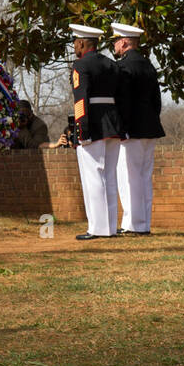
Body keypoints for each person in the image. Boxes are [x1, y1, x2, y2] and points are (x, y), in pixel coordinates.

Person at [68, 23, 126, 240]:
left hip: (93, 124)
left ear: (82, 43)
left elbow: (80, 99)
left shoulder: (81, 65)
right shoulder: (112, 64)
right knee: (110, 177)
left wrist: (81, 129)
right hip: (113, 124)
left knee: (93, 177)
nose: (74, 45)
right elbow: (120, 98)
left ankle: (98, 228)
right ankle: (110, 227)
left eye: (75, 42)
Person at [111, 22, 164, 235]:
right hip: (150, 128)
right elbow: (156, 100)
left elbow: (123, 102)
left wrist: (121, 128)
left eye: (115, 41)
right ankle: (143, 223)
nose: (114, 45)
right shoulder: (148, 65)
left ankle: (132, 224)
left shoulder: (123, 67)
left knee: (128, 177)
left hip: (131, 130)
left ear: (124, 42)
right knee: (143, 177)